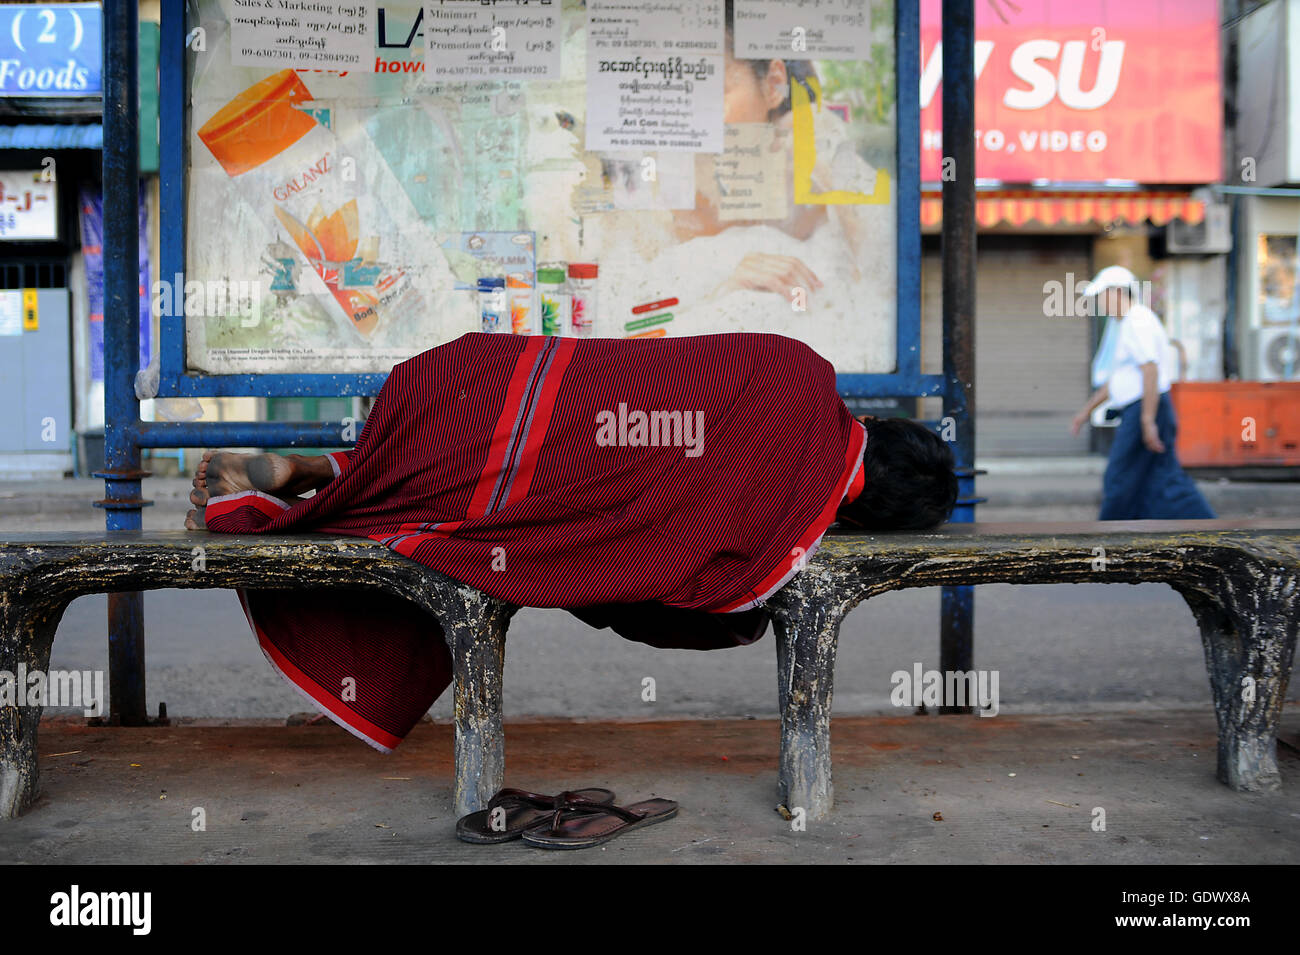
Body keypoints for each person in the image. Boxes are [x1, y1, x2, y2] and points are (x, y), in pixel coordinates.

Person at [186, 331, 957, 751]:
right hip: (529, 470)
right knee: (475, 519)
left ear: (883, 426)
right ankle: (303, 488)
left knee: (436, 468)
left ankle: (328, 468)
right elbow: (704, 588)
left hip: (480, 376)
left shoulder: (796, 367)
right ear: (869, 517)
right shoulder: (792, 512)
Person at [1069, 266, 1216, 521]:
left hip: (1146, 410)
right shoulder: (1127, 323)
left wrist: (1147, 421)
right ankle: (1198, 528)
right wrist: (1085, 412)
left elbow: (1150, 370)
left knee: (1120, 476)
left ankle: (1109, 538)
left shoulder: (1137, 320)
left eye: (1101, 296)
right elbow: (1118, 380)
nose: (1100, 304)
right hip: (1145, 409)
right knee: (1159, 478)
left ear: (1116, 293)